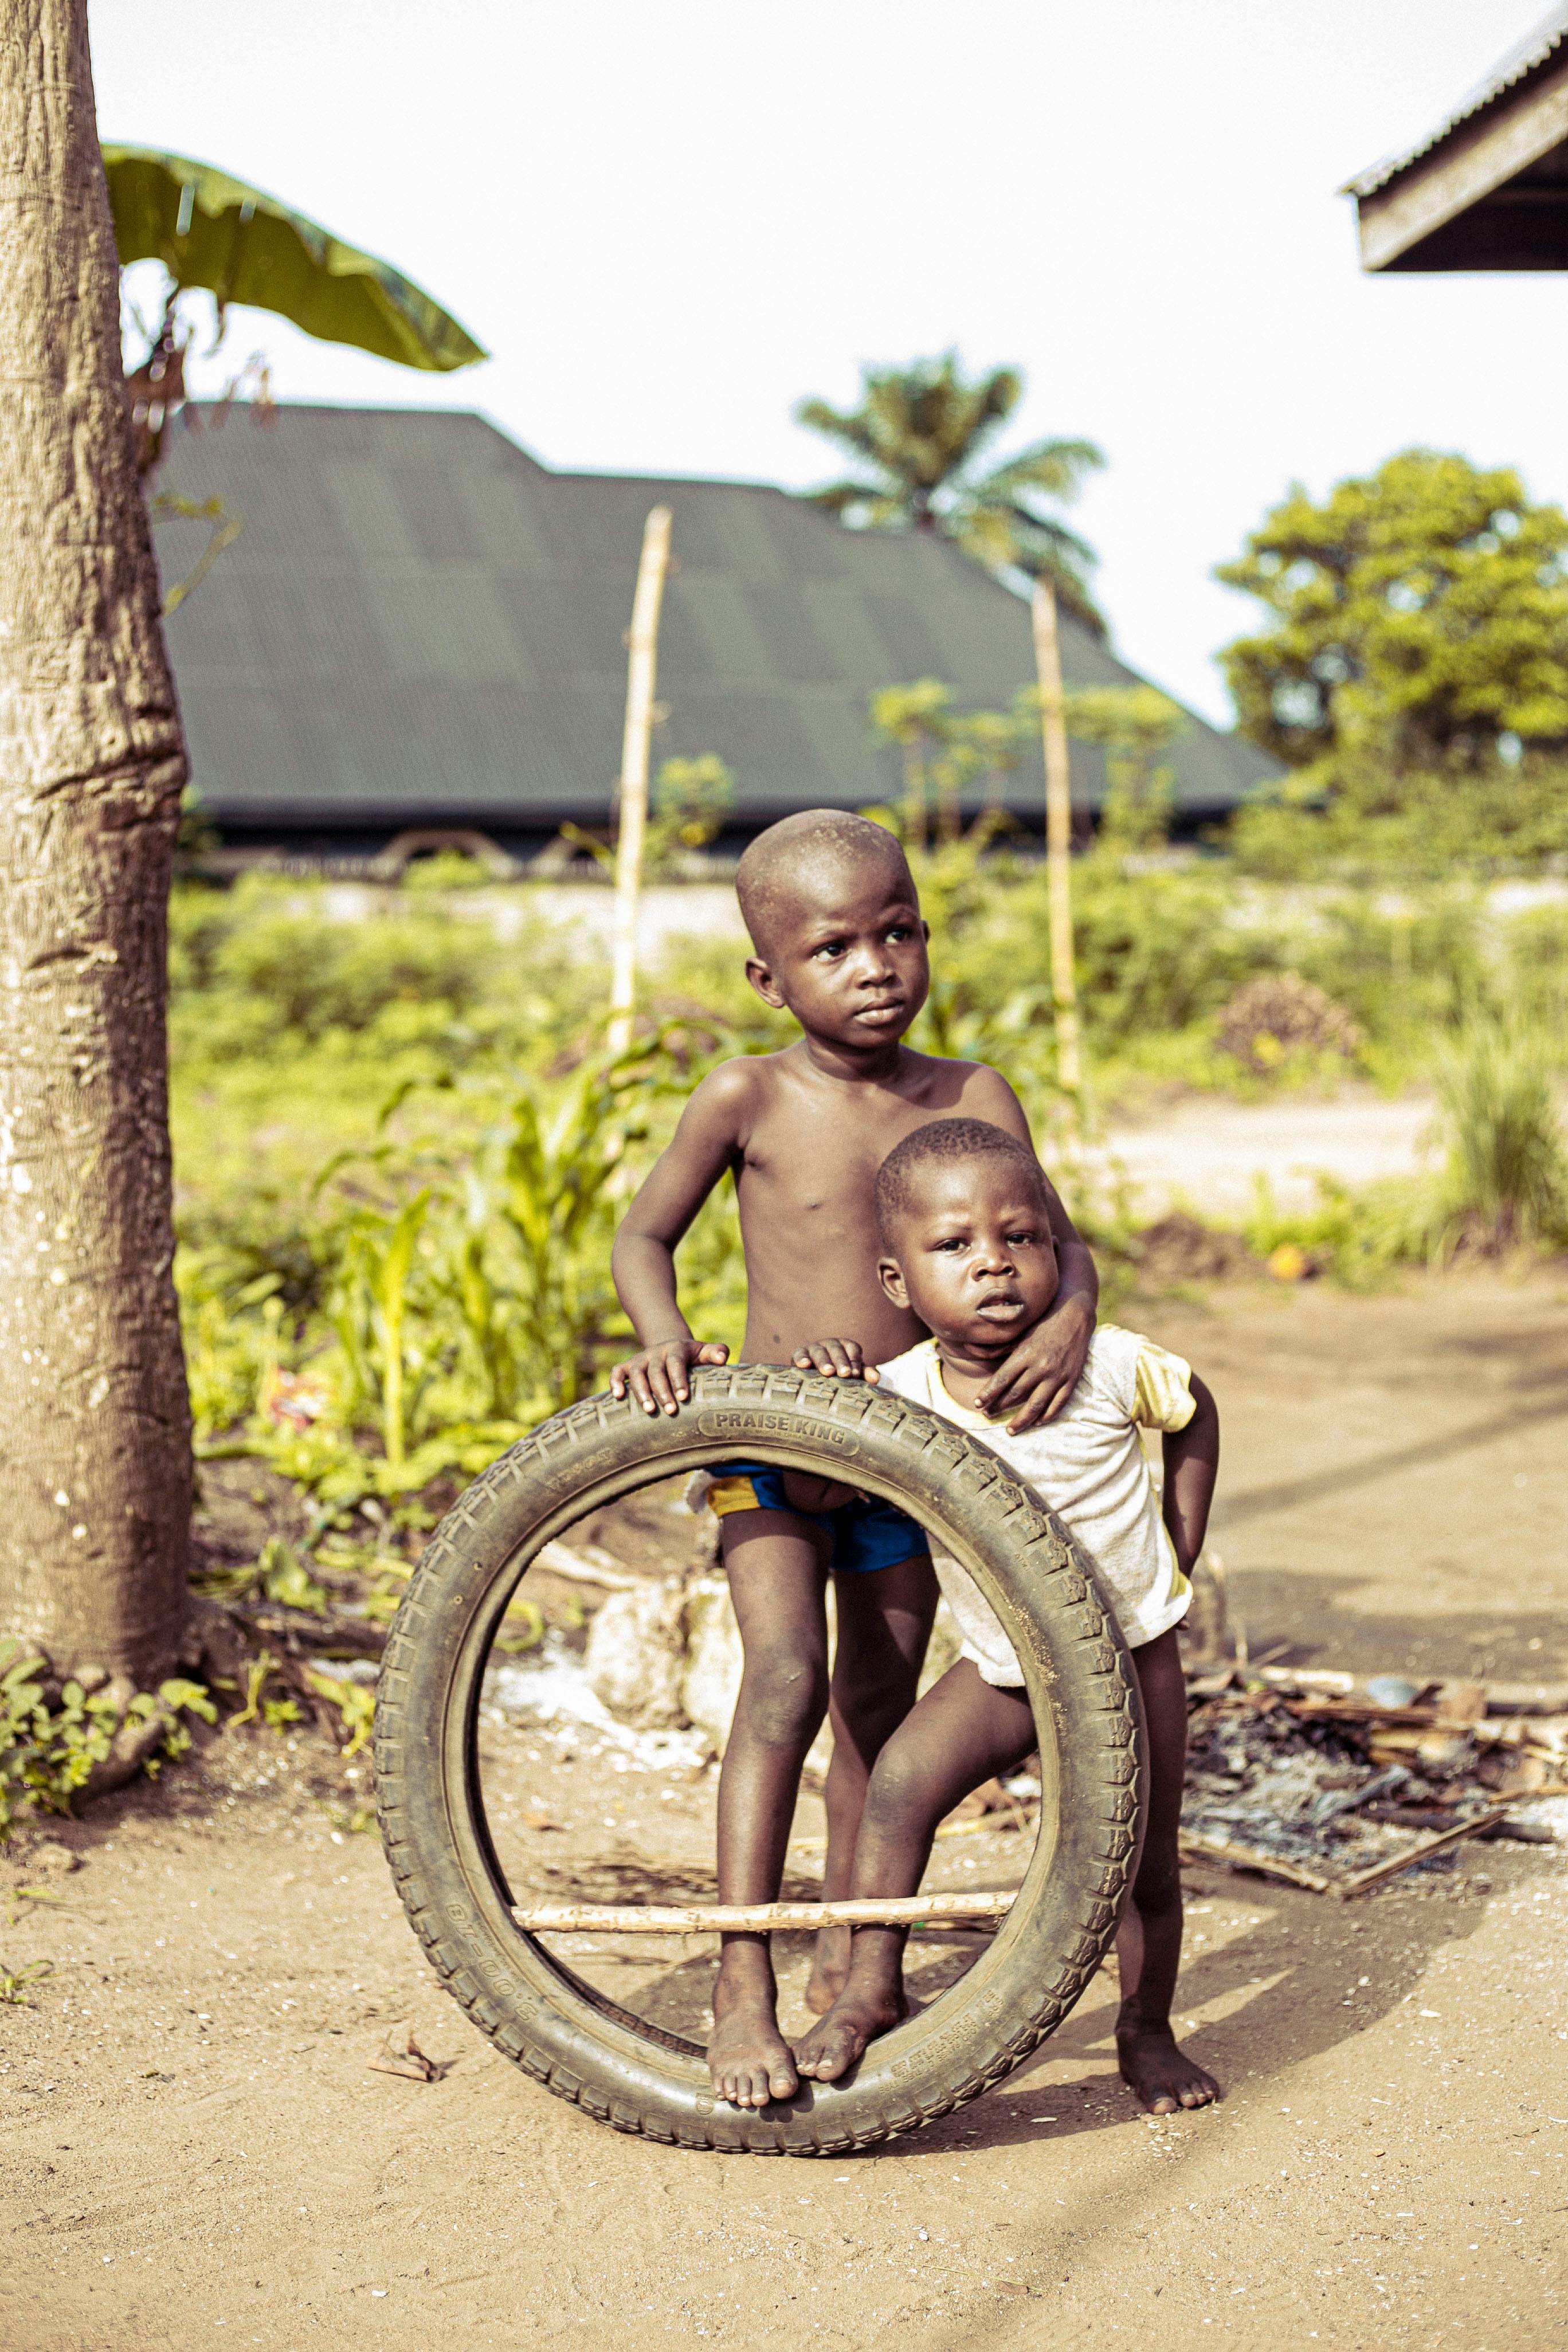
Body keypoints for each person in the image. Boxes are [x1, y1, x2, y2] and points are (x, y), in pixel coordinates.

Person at [609, 810, 1100, 2110]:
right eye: (835, 948)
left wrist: (1068, 1323)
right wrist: (666, 1344)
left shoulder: (972, 1095)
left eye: (898, 932)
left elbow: (1066, 1242)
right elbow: (644, 1239)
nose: (876, 966)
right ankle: (741, 1980)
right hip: (771, 1443)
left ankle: (859, 1962)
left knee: (876, 1716)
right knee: (781, 1681)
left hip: (910, 1460)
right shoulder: (748, 1096)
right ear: (770, 979)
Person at [792, 1115, 1222, 2116]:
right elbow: (820, 1501)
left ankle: (1145, 2030)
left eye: (1020, 1238)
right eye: (954, 1248)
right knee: (898, 1786)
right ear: (899, 1283)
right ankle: (868, 1987)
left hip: (1132, 1660)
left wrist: (1181, 1539)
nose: (994, 1265)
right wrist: (822, 1404)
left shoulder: (1109, 1363)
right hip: (1003, 1670)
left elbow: (1195, 1407)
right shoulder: (896, 1397)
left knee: (1145, 1863)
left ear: (1055, 1252)